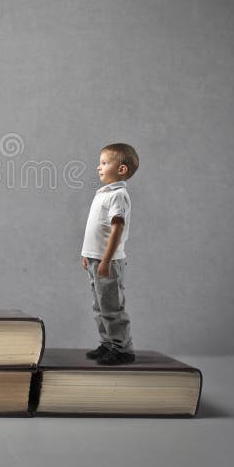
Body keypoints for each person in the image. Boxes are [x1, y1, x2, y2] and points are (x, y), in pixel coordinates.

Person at [81, 143, 139, 365]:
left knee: (112, 307)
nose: (99, 167)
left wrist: (106, 259)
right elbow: (96, 229)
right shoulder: (104, 194)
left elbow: (117, 229)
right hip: (95, 259)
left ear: (121, 169)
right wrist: (88, 254)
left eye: (104, 163)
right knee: (100, 305)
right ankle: (107, 343)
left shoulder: (118, 195)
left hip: (108, 261)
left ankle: (122, 348)